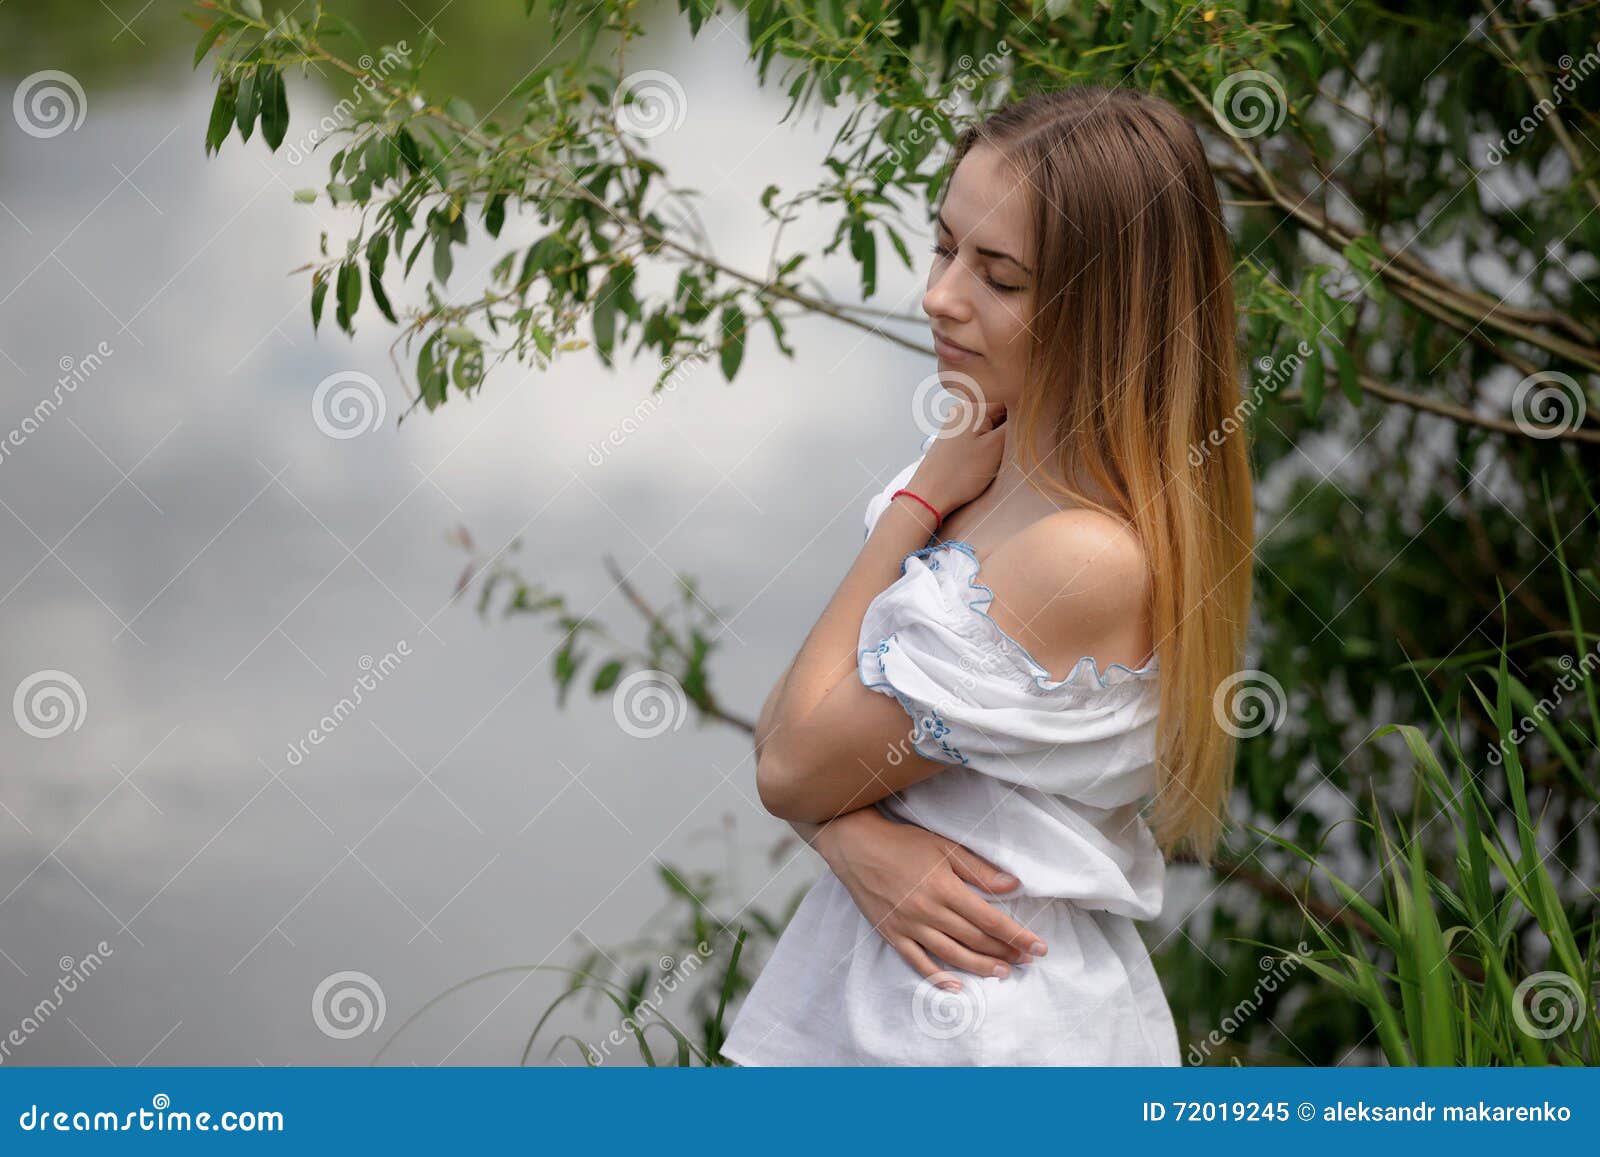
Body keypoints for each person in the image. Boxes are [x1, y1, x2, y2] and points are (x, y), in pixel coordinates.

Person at [719, 84, 1255, 1066]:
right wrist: (854, 841)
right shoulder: (983, 473)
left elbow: (791, 765)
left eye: (998, 276)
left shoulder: (1078, 556)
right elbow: (790, 732)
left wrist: (916, 504)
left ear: (1109, 312)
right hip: (891, 1015)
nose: (939, 295)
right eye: (944, 246)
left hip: (986, 1038)